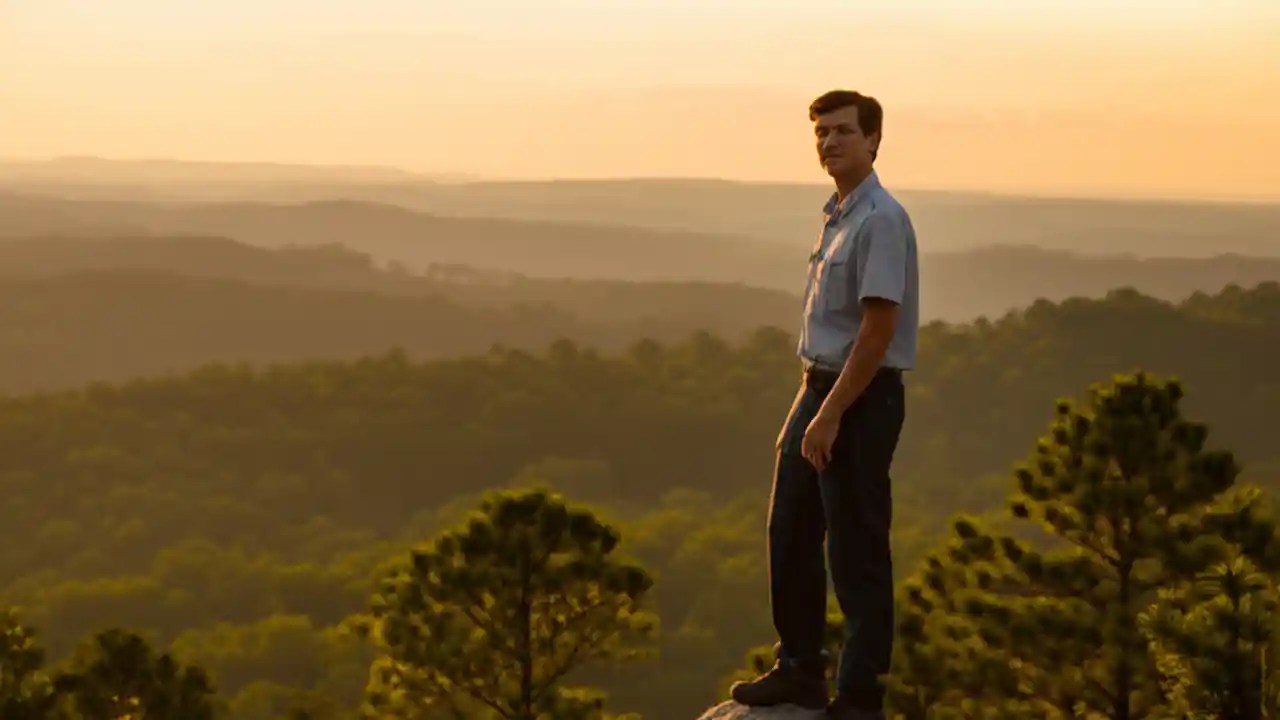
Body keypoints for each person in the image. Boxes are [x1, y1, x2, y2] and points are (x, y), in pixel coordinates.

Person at [729, 89, 918, 719]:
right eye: (821, 133)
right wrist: (817, 404)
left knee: (856, 550)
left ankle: (860, 699)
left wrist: (832, 413)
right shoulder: (838, 214)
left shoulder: (880, 220)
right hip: (816, 387)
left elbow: (877, 331)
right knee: (790, 530)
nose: (829, 142)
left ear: (873, 141)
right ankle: (799, 670)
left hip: (858, 397)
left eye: (842, 131)